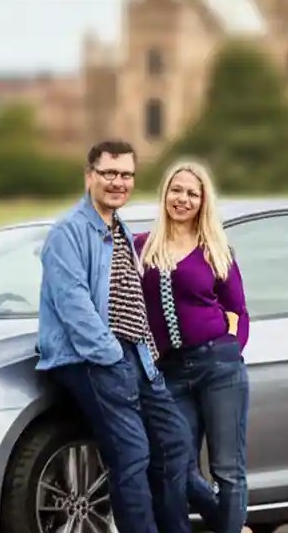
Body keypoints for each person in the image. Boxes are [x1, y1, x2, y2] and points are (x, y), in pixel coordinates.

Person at [35, 139, 205, 533]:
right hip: (95, 360)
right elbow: (74, 305)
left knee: (175, 443)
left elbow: (131, 300)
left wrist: (144, 355)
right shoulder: (69, 233)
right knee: (131, 454)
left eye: (126, 174)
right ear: (89, 176)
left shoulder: (121, 229)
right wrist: (111, 355)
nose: (119, 182)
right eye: (109, 173)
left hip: (138, 357)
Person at [135, 159, 251, 533]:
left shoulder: (215, 249)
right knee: (176, 466)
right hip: (169, 371)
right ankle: (230, 526)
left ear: (203, 201)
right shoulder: (143, 247)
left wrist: (233, 348)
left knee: (227, 469)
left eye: (192, 193)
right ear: (164, 194)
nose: (182, 199)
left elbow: (238, 310)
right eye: (176, 190)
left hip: (218, 366)